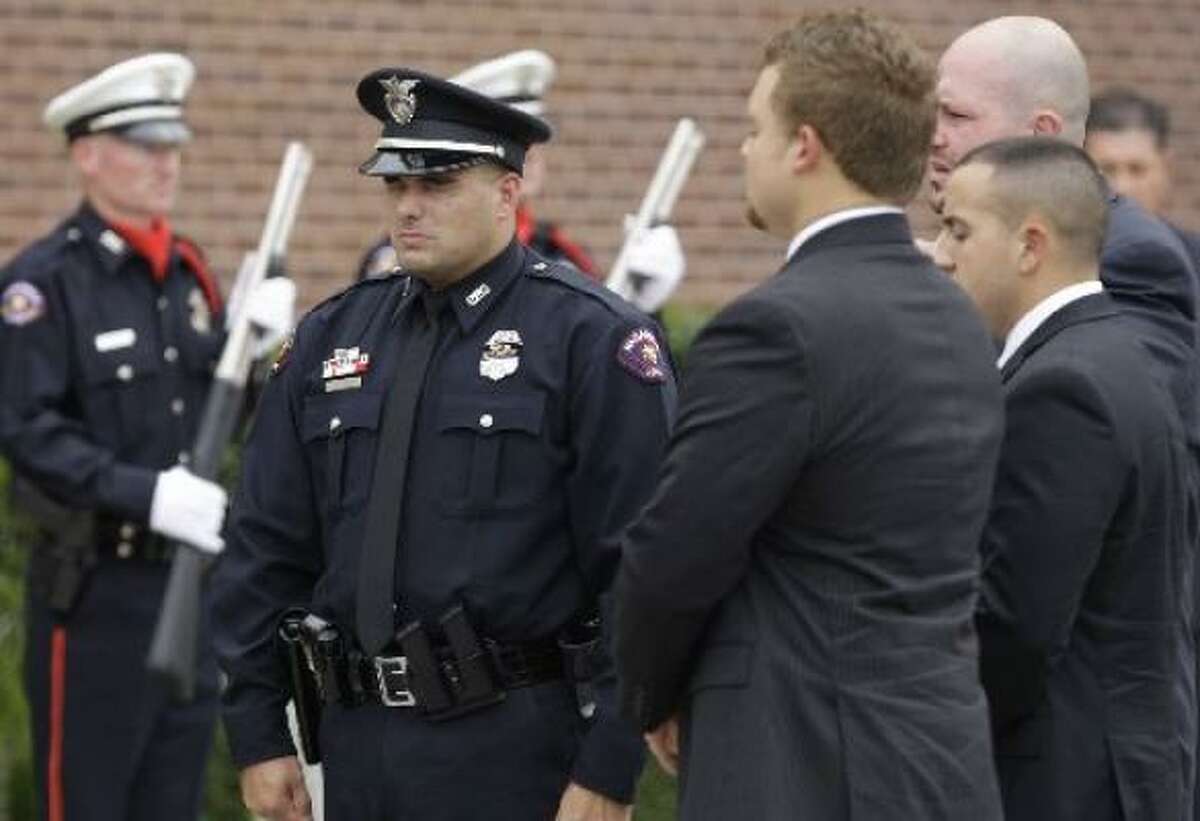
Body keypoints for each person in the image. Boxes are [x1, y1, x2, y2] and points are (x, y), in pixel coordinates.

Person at [212, 66, 675, 820]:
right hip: (356, 748)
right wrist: (259, 733)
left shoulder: (589, 340)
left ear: (507, 192)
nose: (410, 207)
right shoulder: (331, 340)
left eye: (439, 184)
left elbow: (643, 572)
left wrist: (611, 766)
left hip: (514, 751)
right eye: (396, 186)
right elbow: (262, 550)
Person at [613, 11, 1005, 820]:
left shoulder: (775, 328)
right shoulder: (961, 315)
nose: (745, 149)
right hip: (939, 760)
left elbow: (674, 553)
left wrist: (651, 692)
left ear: (805, 146)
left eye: (756, 127)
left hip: (797, 763)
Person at [0, 53, 294, 820]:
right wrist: (145, 493)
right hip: (94, 592)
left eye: (171, 144)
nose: (167, 162)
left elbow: (226, 414)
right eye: (144, 144)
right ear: (87, 153)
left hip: (187, 586)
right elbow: (25, 428)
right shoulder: (45, 283)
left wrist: (262, 350)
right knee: (91, 803)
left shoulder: (188, 275)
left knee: (174, 799)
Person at [929, 17, 1200, 814]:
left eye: (958, 233)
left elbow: (1019, 619)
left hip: (1071, 772)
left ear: (1032, 243)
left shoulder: (1079, 372)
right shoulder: (1083, 350)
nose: (936, 138)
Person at [355, 49, 686, 317]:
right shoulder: (403, 255)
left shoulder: (559, 253)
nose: (531, 160)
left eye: (533, 144)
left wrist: (645, 310)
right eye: (517, 147)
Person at [1086, 88, 1200, 264]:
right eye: (1107, 170)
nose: (1122, 187)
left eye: (1137, 169)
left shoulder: (1194, 260)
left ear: (1167, 168)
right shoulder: (1058, 266)